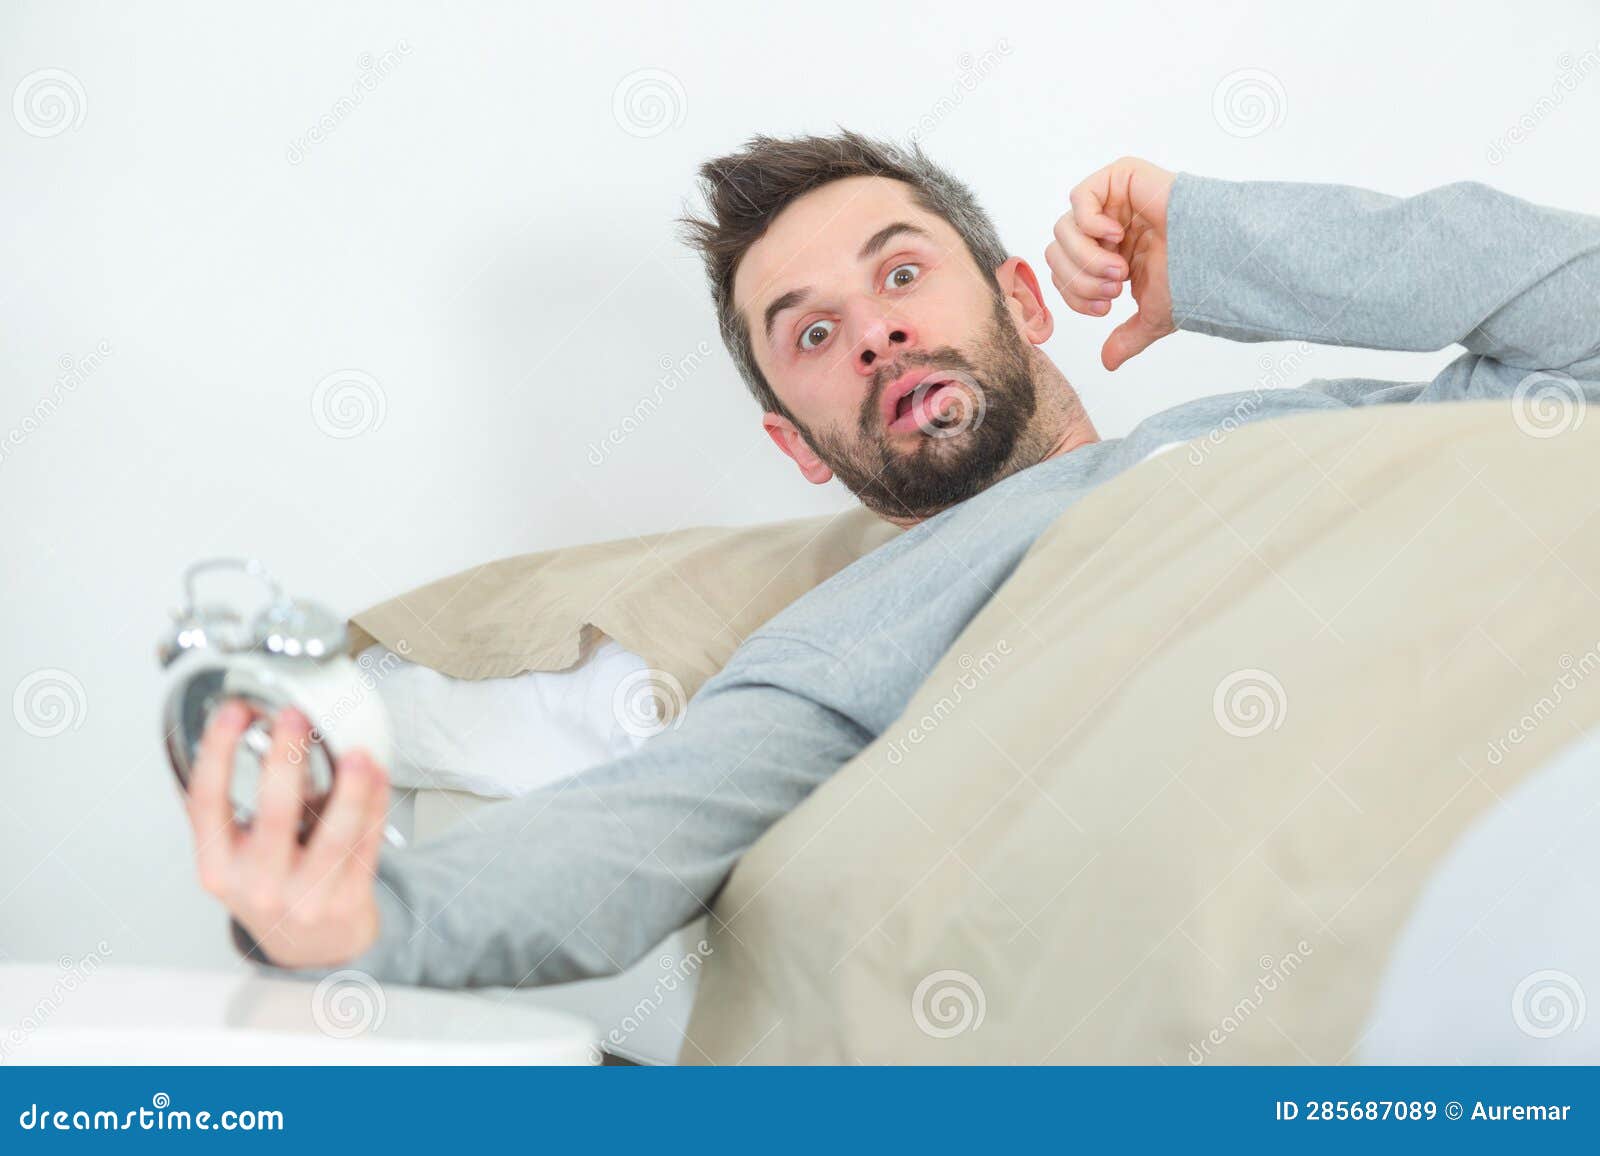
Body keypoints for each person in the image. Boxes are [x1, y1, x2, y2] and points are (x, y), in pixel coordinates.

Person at [187, 131, 1600, 987]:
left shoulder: (1293, 430)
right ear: (800, 447)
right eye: (811, 333)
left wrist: (1226, 244)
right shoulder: (857, 630)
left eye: (902, 271)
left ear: (1022, 297)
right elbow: (646, 827)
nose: (873, 332)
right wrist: (365, 917)